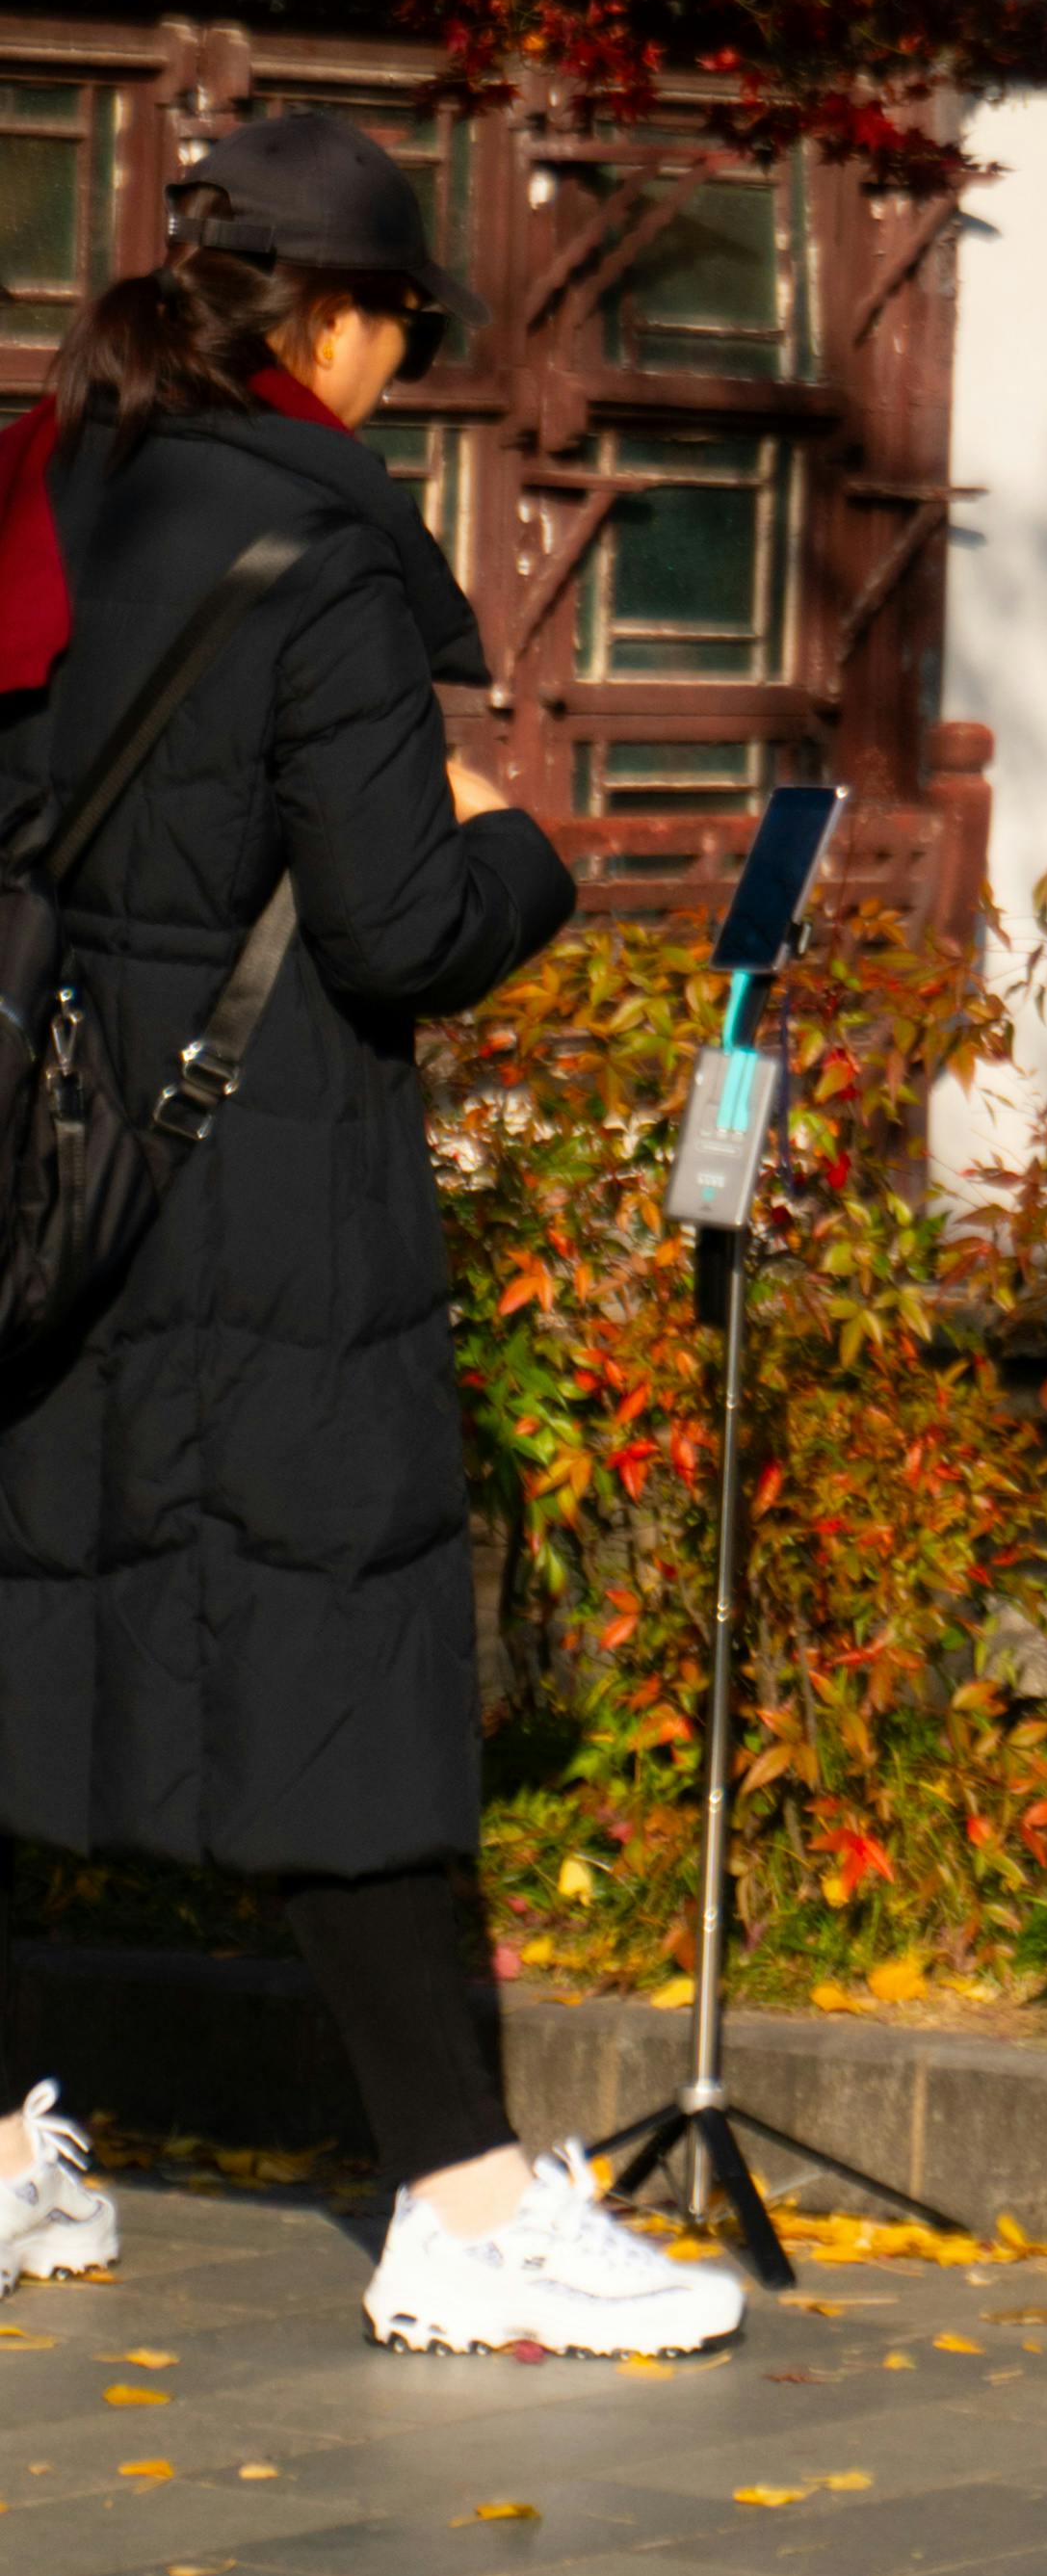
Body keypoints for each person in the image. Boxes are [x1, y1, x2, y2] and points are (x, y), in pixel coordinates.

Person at [0, 113, 745, 2358]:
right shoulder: (309, 560)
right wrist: (516, 845)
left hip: (41, 1173)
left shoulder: (54, 488)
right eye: (401, 331)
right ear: (331, 321)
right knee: (350, 1673)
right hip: (257, 1194)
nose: (403, 376)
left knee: (28, 1621)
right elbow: (400, 930)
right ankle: (465, 2207)